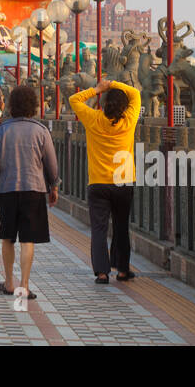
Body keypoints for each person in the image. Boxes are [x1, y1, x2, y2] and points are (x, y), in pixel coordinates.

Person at [0, 85, 58, 301]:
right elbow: (51, 163)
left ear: (12, 106)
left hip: (6, 190)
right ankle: (24, 285)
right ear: (34, 106)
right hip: (34, 190)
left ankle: (8, 283)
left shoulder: (3, 130)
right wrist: (54, 187)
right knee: (28, 239)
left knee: (7, 236)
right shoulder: (41, 131)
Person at [69, 77, 142, 285]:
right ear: (124, 106)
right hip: (123, 182)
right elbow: (135, 94)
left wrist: (97, 88)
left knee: (99, 229)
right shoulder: (128, 120)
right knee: (121, 226)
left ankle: (102, 273)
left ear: (103, 104)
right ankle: (122, 270)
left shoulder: (93, 119)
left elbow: (74, 100)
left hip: (98, 183)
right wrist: (114, 84)